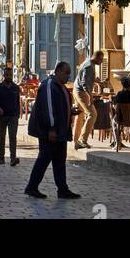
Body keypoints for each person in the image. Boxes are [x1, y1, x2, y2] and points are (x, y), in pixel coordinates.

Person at [24, 61, 79, 199]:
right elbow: (48, 108)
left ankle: (62, 189)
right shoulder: (49, 85)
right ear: (58, 71)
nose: (68, 76)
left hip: (61, 131)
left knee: (60, 160)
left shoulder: (61, 87)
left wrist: (70, 111)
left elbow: (58, 106)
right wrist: (52, 128)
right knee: (44, 158)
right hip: (49, 131)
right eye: (66, 73)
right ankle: (32, 187)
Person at [73, 49, 105, 150]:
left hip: (76, 90)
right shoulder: (89, 67)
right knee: (92, 114)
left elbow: (86, 78)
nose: (102, 61)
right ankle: (82, 140)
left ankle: (76, 141)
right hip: (81, 92)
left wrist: (96, 81)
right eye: (101, 59)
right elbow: (84, 83)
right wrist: (90, 96)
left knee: (80, 115)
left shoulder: (87, 63)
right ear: (96, 57)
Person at [0, 66, 21, 165]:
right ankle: (1, 157)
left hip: (13, 116)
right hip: (2, 116)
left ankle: (13, 158)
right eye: (7, 75)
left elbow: (18, 102)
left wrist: (17, 115)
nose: (9, 76)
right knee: (2, 136)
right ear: (4, 75)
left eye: (10, 75)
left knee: (13, 137)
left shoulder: (16, 88)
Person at [111, 76, 130, 150]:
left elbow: (114, 105)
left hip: (121, 119)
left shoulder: (119, 94)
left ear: (122, 84)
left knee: (114, 122)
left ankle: (118, 143)